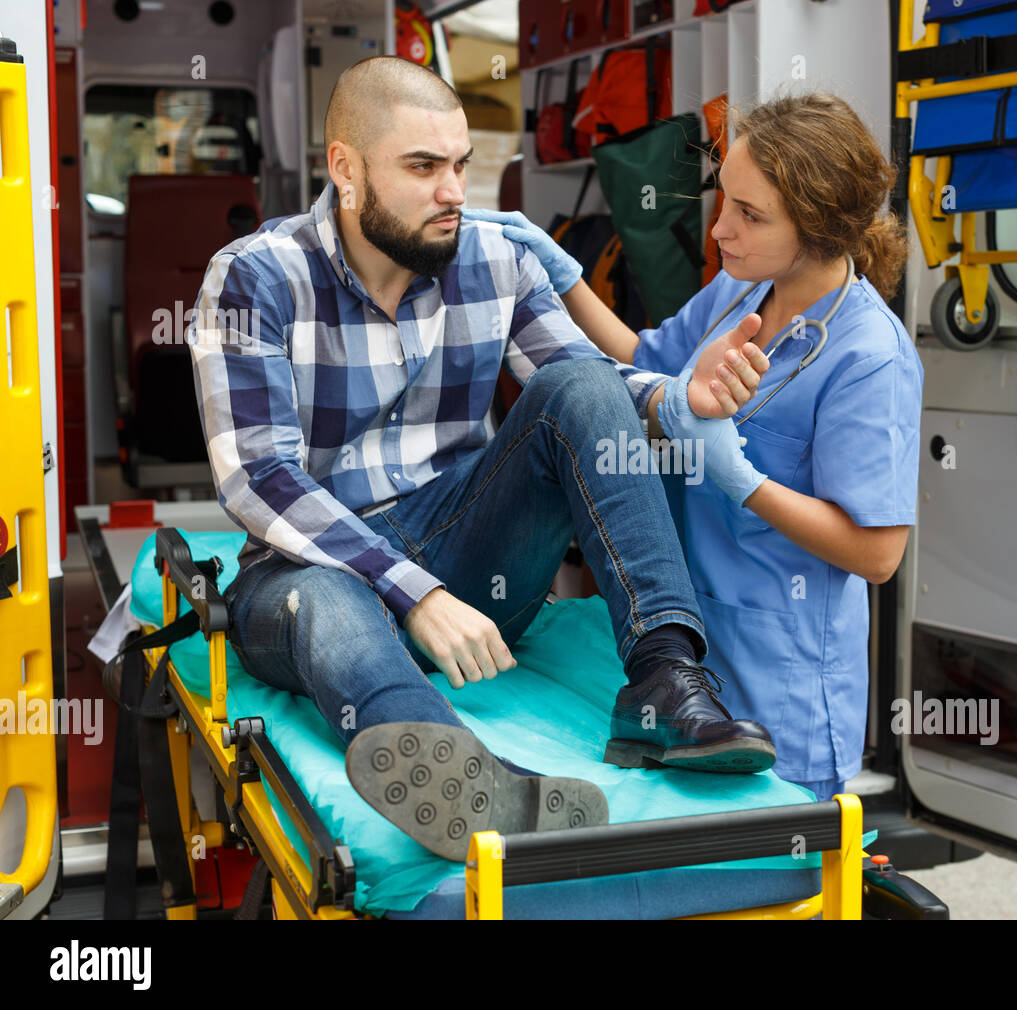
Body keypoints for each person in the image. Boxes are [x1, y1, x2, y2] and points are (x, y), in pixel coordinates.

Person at [186, 57, 781, 860]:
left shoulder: (494, 257)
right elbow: (257, 477)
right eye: (424, 167)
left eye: (461, 164)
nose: (454, 192)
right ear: (346, 169)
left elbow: (591, 389)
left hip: (467, 557)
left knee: (577, 386)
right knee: (329, 601)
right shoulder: (254, 279)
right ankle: (472, 781)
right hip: (306, 571)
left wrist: (682, 400)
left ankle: (664, 685)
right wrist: (414, 593)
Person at [466, 92, 923, 801]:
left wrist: (739, 478)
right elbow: (640, 361)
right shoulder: (740, 297)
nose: (719, 230)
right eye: (724, 203)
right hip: (686, 664)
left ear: (821, 224)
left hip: (782, 681)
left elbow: (878, 553)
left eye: (750, 215)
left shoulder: (870, 358)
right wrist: (565, 277)